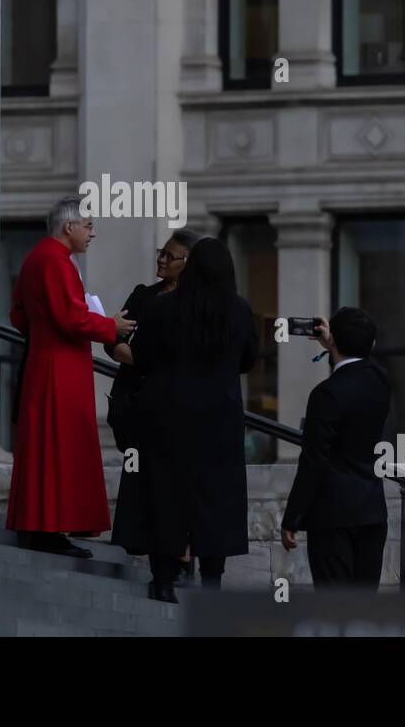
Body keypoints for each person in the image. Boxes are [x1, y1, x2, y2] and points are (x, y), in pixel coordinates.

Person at [6, 197, 135, 558]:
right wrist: (111, 326)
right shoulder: (56, 262)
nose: (92, 233)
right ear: (69, 227)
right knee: (60, 445)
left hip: (45, 361)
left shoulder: (38, 258)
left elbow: (18, 315)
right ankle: (48, 529)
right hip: (60, 368)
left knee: (45, 446)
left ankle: (40, 525)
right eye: (88, 226)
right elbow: (71, 318)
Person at [131, 237, 256, 602]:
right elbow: (248, 360)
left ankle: (165, 578)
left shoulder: (163, 307)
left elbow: (141, 354)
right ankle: (213, 580)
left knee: (166, 496)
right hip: (220, 419)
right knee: (217, 499)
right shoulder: (240, 310)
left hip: (168, 416)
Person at [279, 308, 391, 589]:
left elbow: (314, 460)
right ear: (373, 345)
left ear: (333, 341)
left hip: (333, 516)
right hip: (372, 512)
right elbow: (362, 368)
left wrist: (292, 517)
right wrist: (335, 344)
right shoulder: (380, 382)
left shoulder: (326, 394)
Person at [106, 229, 198, 569]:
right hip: (139, 401)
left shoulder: (196, 304)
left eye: (170, 256)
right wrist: (146, 360)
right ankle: (136, 540)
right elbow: (114, 340)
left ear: (188, 264)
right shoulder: (144, 296)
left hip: (177, 406)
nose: (161, 259)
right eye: (161, 252)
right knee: (138, 470)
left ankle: (178, 551)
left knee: (174, 479)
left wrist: (143, 357)